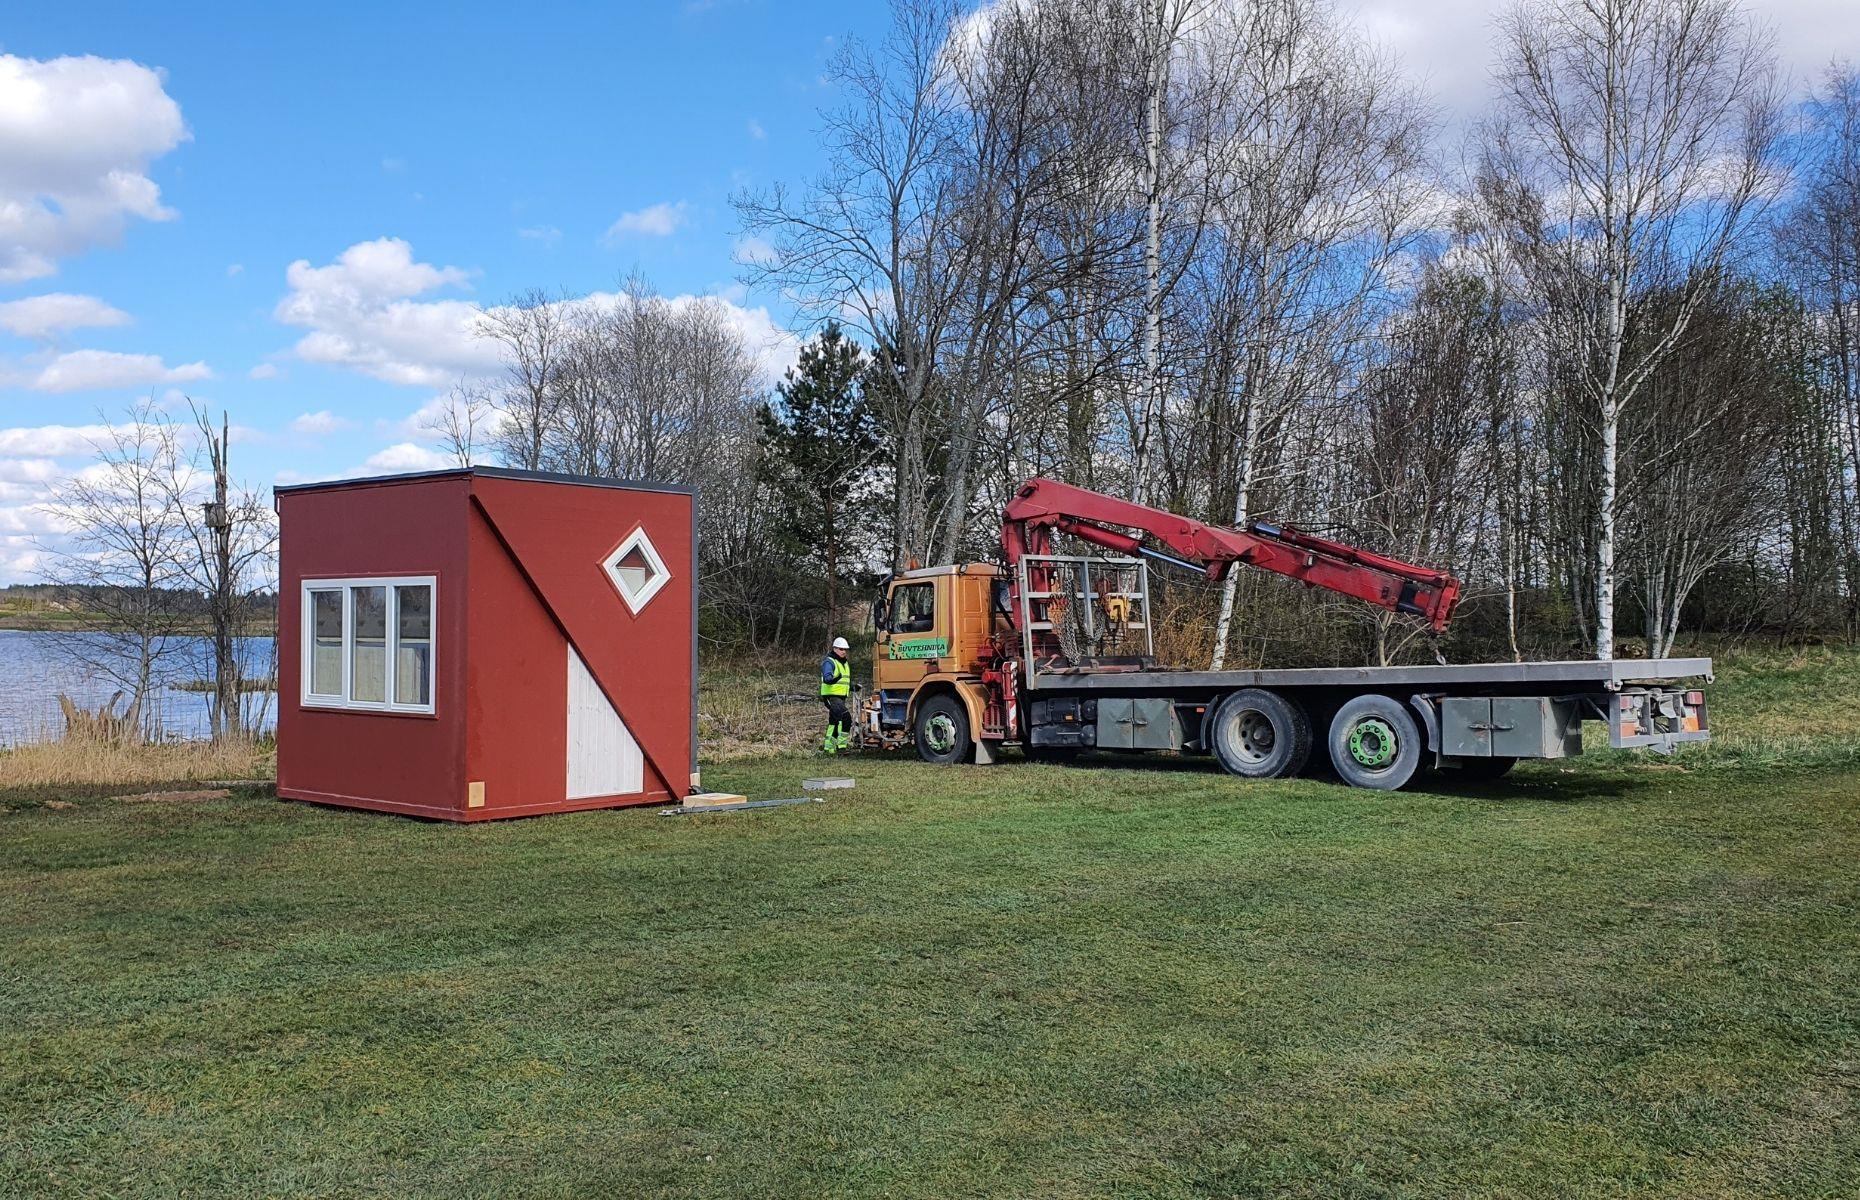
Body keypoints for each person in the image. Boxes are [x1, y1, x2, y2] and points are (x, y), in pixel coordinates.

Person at [820, 635, 853, 754]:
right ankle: (841, 747)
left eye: (845, 650)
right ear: (835, 649)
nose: (844, 652)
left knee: (834, 721)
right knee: (846, 718)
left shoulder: (843, 663)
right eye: (841, 649)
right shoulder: (829, 662)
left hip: (840, 696)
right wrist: (834, 679)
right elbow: (828, 678)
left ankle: (829, 749)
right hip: (832, 697)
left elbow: (844, 680)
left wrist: (853, 687)